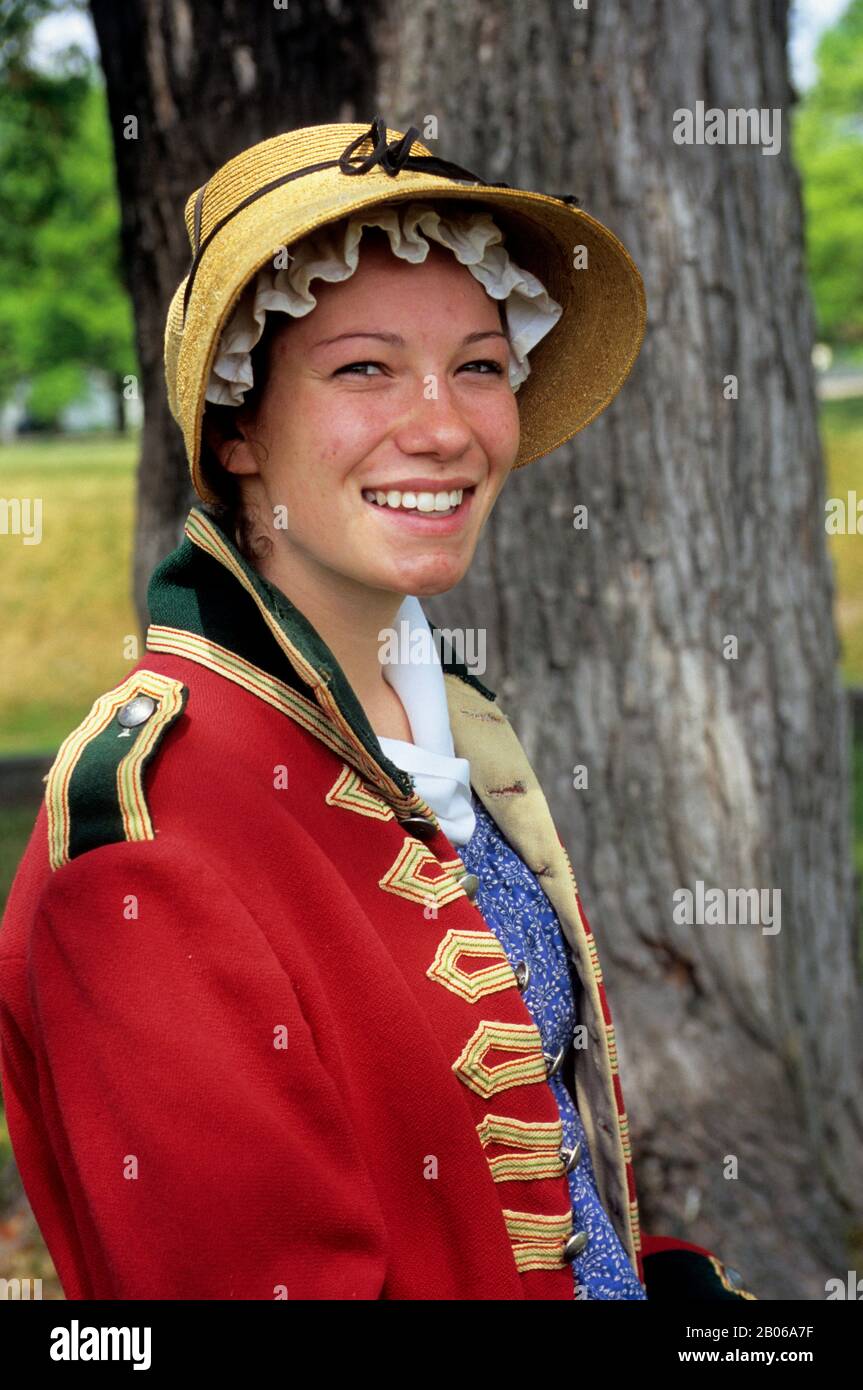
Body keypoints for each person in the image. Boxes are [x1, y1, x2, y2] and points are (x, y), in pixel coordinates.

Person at [0, 117, 757, 1301]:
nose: (444, 427)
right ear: (239, 428)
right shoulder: (151, 834)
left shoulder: (447, 719)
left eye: (477, 364)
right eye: (363, 367)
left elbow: (519, 1183)